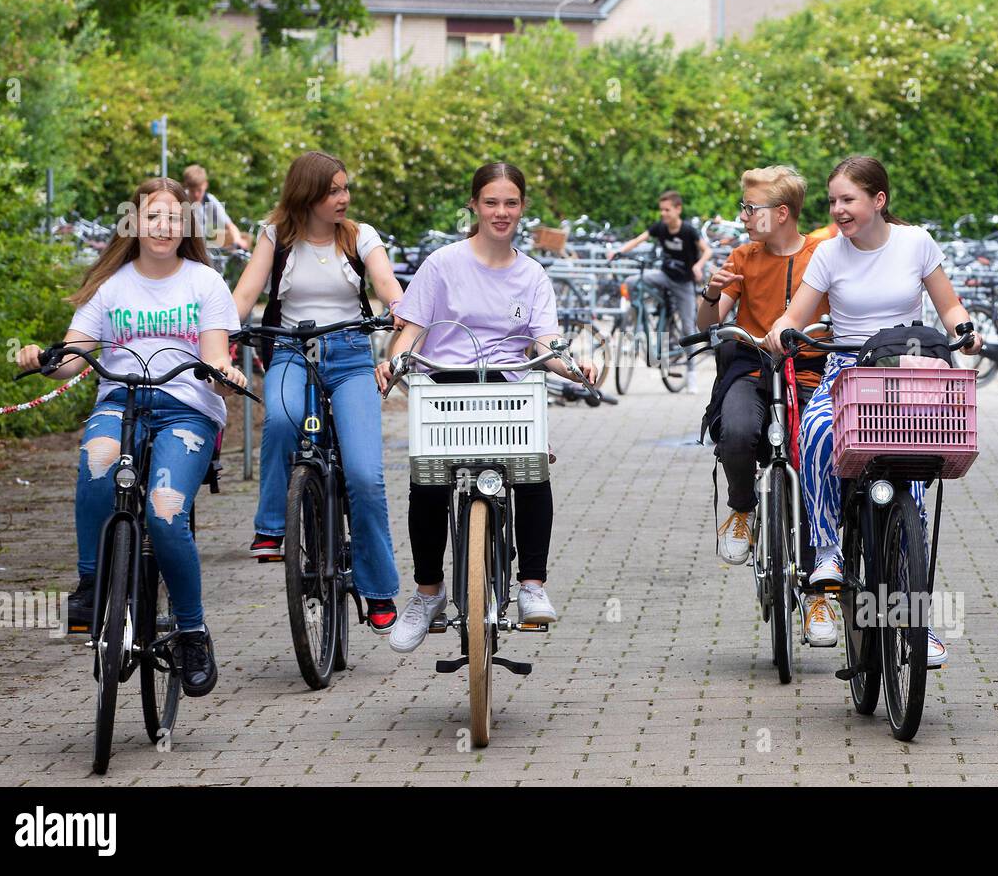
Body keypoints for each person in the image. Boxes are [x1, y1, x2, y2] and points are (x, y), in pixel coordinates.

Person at [16, 177, 245, 696]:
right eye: (152, 217)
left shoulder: (205, 283)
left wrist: (221, 372)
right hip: (120, 402)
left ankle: (191, 631)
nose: (163, 227)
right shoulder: (111, 286)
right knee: (97, 464)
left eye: (173, 218)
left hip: (185, 409)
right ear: (133, 223)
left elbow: (214, 355)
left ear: (186, 225)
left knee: (165, 515)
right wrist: (42, 357)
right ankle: (92, 582)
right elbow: (74, 357)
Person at [764, 156, 983, 664]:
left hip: (910, 370)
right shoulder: (828, 256)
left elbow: (949, 307)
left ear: (878, 200)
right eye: (833, 200)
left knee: (914, 493)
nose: (838, 210)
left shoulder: (916, 243)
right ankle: (827, 554)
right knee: (816, 430)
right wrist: (781, 332)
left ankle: (917, 624)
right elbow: (793, 317)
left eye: (848, 200)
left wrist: (965, 332)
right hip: (847, 369)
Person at [376, 161, 595, 653]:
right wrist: (394, 362)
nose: (501, 212)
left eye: (510, 203)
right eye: (491, 202)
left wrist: (574, 367)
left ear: (522, 208)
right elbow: (410, 329)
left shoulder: (532, 273)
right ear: (473, 205)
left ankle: (532, 585)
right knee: (427, 479)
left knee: (533, 467)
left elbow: (546, 341)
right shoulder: (442, 264)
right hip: (445, 388)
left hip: (507, 393)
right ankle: (428, 593)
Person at [231, 151, 405, 634]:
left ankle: (379, 589)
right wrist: (217, 333)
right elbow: (245, 296)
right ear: (306, 194)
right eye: (333, 191)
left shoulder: (359, 237)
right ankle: (271, 528)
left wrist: (399, 306)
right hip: (291, 350)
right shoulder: (276, 236)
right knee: (284, 421)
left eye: (345, 188)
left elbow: (388, 283)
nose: (343, 198)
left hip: (350, 357)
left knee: (366, 476)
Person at [696, 165, 839, 646]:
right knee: (735, 432)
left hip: (811, 373)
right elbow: (708, 321)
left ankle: (820, 594)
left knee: (815, 464)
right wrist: (713, 292)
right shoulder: (743, 256)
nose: (742, 215)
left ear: (781, 213)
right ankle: (741, 508)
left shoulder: (824, 255)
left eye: (749, 207)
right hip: (753, 369)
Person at [609, 190, 711, 392]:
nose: (663, 214)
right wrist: (619, 251)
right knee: (631, 282)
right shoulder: (660, 228)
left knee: (689, 327)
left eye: (667, 210)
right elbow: (639, 239)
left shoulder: (688, 231)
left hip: (683, 283)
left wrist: (698, 266)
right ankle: (638, 318)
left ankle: (691, 375)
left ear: (678, 209)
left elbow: (707, 250)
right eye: (661, 210)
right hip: (664, 277)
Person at [183, 164, 247, 251]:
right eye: (192, 191)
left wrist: (237, 240)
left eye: (199, 190)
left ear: (205, 185)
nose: (196, 195)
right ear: (187, 187)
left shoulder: (209, 200)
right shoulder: (180, 199)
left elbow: (230, 225)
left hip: (199, 250)